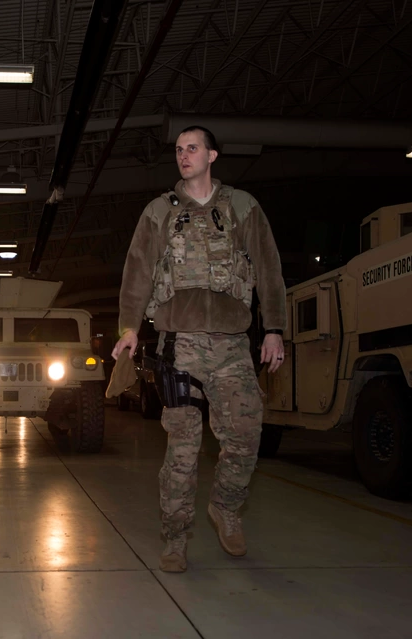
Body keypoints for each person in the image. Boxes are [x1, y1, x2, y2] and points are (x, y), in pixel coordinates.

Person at [112, 125, 287, 572]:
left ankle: (225, 508)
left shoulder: (242, 206)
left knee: (247, 436)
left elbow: (268, 266)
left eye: (192, 148)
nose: (183, 155)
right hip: (180, 346)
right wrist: (129, 328)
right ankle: (175, 538)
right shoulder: (159, 212)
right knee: (183, 448)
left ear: (212, 155)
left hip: (232, 345)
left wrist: (274, 328)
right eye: (178, 150)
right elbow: (137, 272)